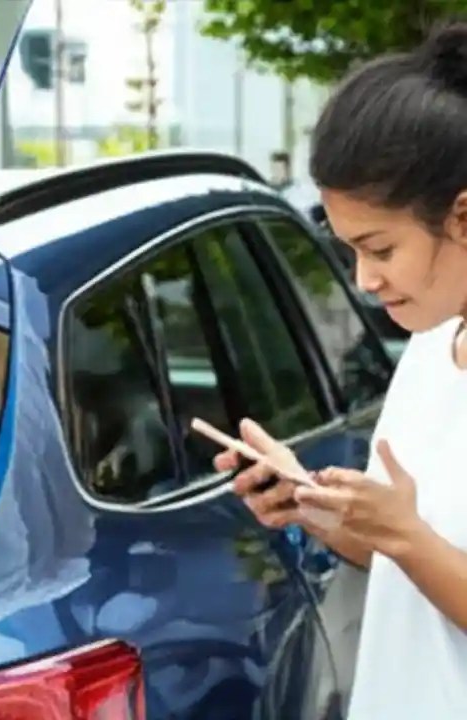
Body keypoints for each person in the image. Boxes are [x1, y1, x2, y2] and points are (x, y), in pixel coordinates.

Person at [215, 23, 467, 718]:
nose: (364, 280)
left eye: (380, 249)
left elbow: (414, 544)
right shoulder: (429, 349)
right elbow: (408, 567)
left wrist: (404, 534)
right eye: (351, 249)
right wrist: (316, 511)